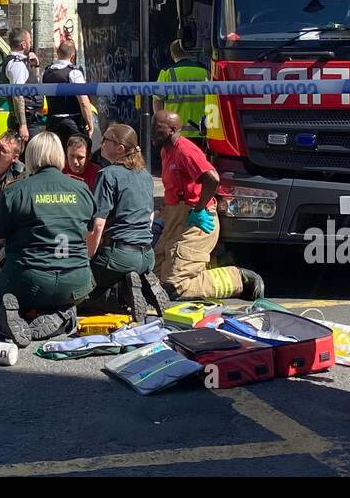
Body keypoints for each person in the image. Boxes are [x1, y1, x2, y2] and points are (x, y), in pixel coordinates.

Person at [0, 131, 95, 347]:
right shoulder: (82, 189)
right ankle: (62, 315)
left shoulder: (17, 191)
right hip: (75, 280)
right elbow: (88, 231)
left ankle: (0, 321)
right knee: (59, 298)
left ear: (29, 156)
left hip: (28, 279)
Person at [152, 110, 264, 302]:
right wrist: (165, 215)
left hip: (195, 220)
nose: (152, 131)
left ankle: (239, 278)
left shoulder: (185, 150)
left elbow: (212, 178)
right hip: (176, 219)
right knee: (154, 281)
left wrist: (199, 209)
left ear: (171, 130)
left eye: (157, 127)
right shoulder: (166, 151)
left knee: (174, 286)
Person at [83, 123, 170, 320]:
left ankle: (122, 292)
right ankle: (143, 289)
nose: (102, 144)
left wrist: (87, 260)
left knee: (79, 292)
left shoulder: (107, 175)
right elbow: (149, 217)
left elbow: (98, 225)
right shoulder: (146, 176)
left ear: (120, 148)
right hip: (146, 255)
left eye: (106, 140)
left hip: (118, 255)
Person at [42, 41, 95, 147]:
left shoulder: (46, 72)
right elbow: (84, 102)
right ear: (73, 55)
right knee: (74, 157)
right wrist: (90, 125)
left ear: (57, 52)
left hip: (52, 123)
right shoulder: (74, 73)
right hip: (72, 124)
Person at [154, 41, 209, 142]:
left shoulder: (167, 73)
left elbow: (157, 101)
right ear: (188, 52)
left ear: (172, 54)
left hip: (174, 132)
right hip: (201, 131)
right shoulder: (204, 71)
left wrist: (160, 127)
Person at [3, 27, 45, 145]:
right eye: (30, 42)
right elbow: (17, 95)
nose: (30, 45)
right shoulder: (17, 65)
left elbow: (33, 85)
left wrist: (35, 66)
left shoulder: (21, 63)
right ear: (23, 45)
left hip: (30, 119)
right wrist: (23, 125)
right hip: (26, 121)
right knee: (28, 157)